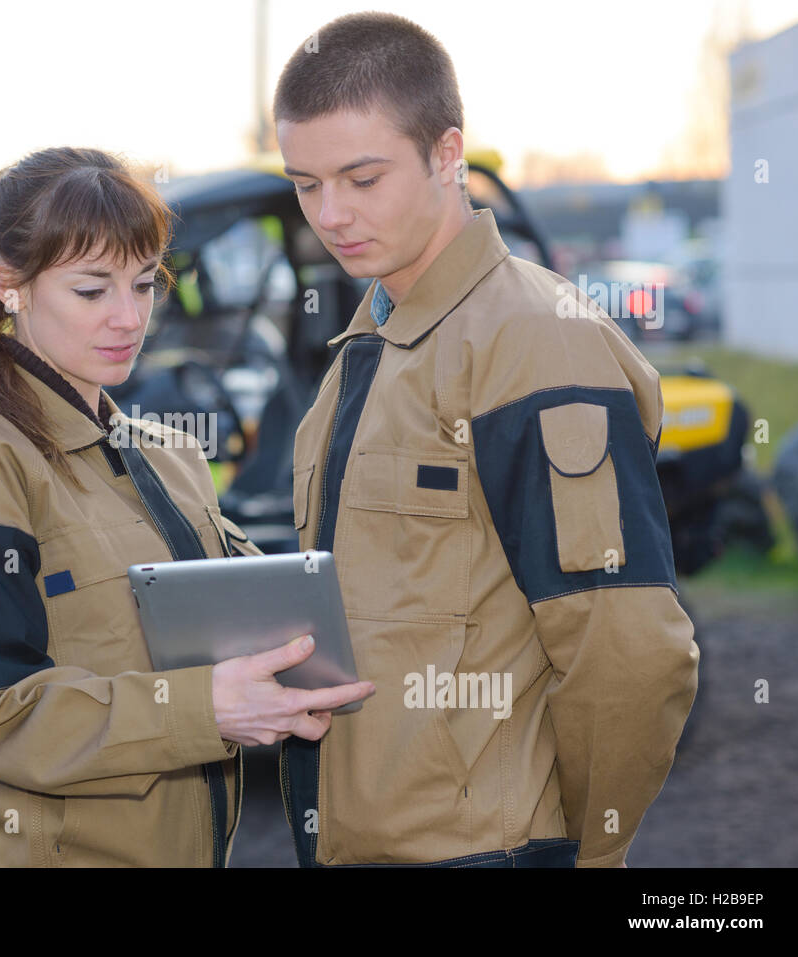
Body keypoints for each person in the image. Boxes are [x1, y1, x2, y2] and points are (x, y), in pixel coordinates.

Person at [272, 13, 699, 868]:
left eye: (362, 177)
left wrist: (588, 852)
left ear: (445, 154)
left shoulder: (534, 339)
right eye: (306, 183)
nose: (332, 213)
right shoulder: (367, 347)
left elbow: (630, 652)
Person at [0, 146, 375, 867]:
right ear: (10, 287)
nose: (127, 317)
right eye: (91, 291)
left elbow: (260, 612)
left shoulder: (168, 454)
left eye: (143, 285)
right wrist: (201, 709)